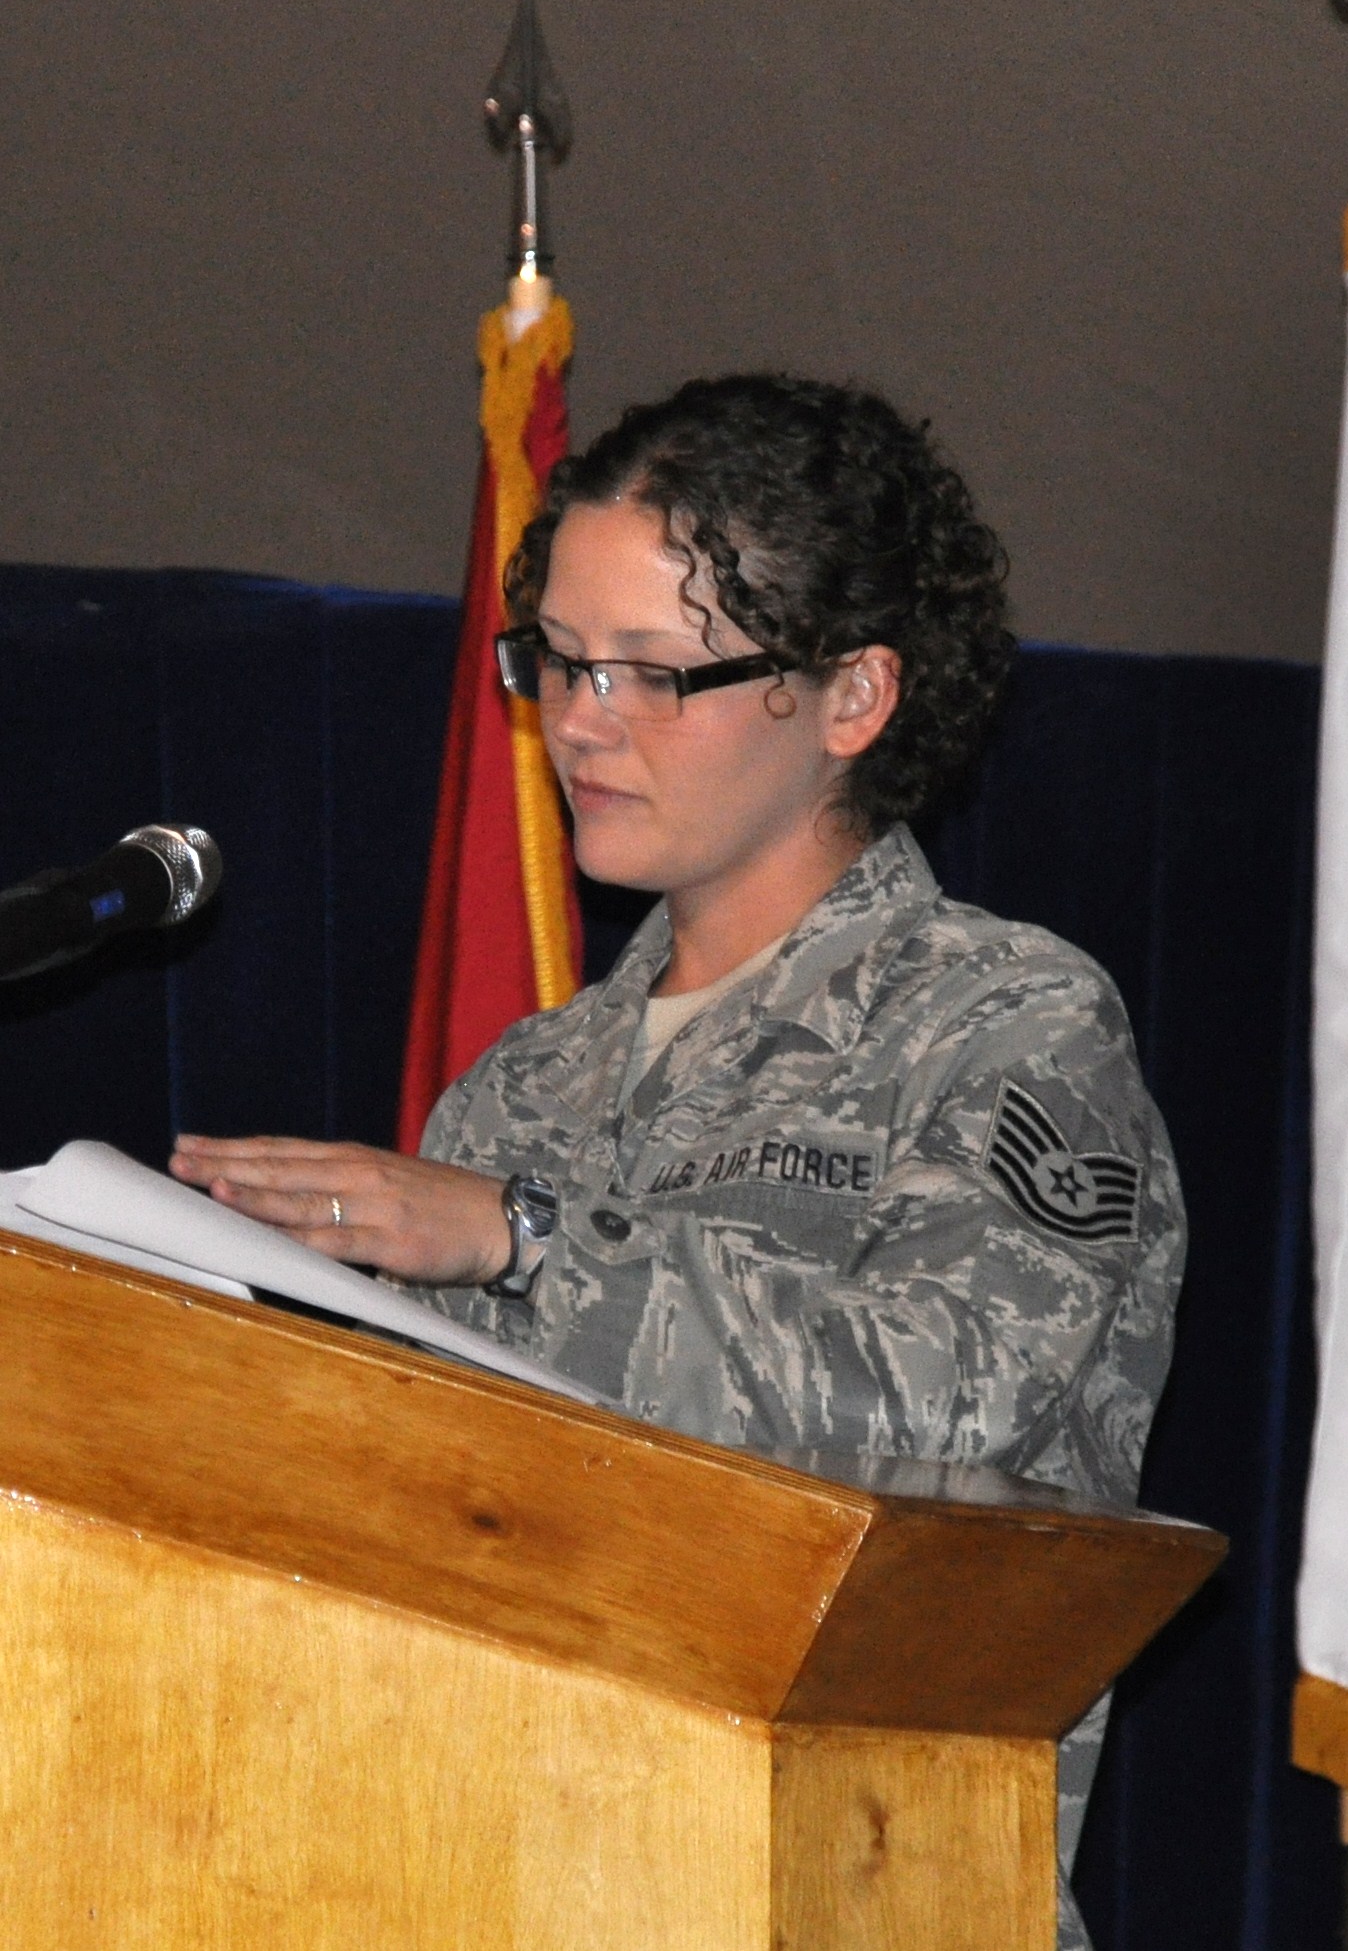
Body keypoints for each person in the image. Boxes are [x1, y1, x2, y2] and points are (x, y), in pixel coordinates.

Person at [171, 372, 1186, 1951]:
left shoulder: (1002, 1022)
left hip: (849, 1891)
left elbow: (950, 1404)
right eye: (562, 661)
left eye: (653, 673)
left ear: (852, 697)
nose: (579, 720)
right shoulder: (524, 1088)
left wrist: (525, 1244)